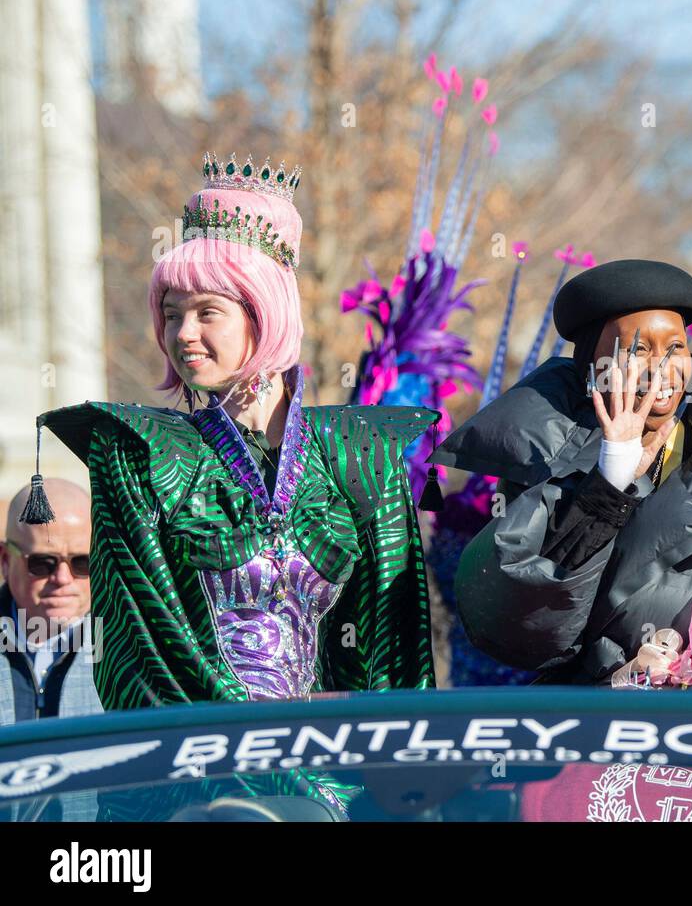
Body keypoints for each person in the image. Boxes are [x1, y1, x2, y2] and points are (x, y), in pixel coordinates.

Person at [20, 153, 438, 712]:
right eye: (171, 313)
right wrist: (251, 748)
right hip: (198, 772)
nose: (182, 333)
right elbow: (141, 654)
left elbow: (395, 650)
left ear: (263, 316)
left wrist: (383, 777)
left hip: (332, 776)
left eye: (207, 312)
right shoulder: (139, 451)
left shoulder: (358, 452)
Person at [435, 258, 692, 683]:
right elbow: (524, 624)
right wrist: (611, 478)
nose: (662, 367)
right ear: (594, 366)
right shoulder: (549, 463)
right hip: (601, 718)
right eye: (638, 349)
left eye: (676, 347)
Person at [1, 479, 101, 725]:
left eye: (82, 562)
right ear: (5, 560)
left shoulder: (129, 651)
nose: (62, 578)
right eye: (42, 563)